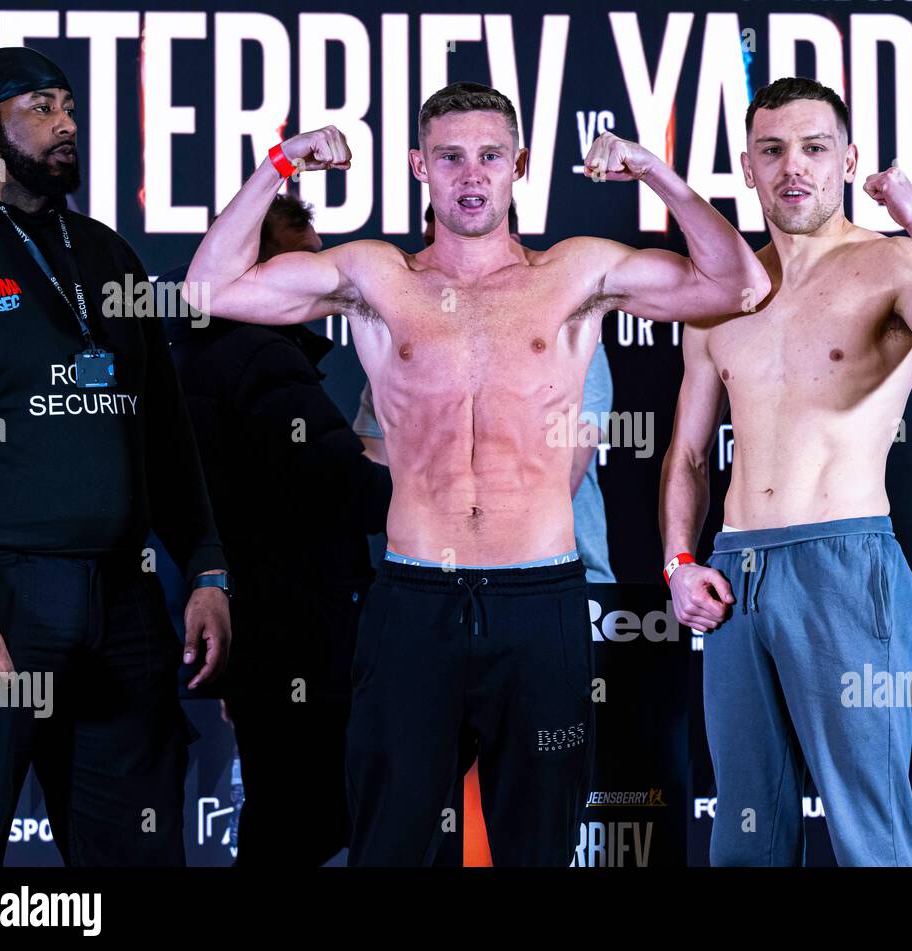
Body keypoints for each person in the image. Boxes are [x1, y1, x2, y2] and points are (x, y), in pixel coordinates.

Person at [185, 81, 770, 865]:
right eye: (451, 157)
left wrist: (655, 175)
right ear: (420, 167)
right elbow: (208, 288)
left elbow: (739, 284)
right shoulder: (375, 277)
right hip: (413, 602)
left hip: (540, 602)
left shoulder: (575, 275)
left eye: (490, 156)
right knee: (389, 843)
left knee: (536, 845)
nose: (471, 174)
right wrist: (279, 165)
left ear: (518, 165)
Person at [660, 77, 912, 867]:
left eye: (815, 148)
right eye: (773, 150)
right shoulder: (722, 295)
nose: (795, 168)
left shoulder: (889, 265)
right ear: (746, 167)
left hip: (844, 565)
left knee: (868, 835)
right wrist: (680, 559)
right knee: (745, 835)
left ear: (847, 160)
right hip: (735, 573)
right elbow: (683, 455)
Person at [0, 48, 230, 866]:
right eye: (41, 106)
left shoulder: (104, 252)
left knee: (135, 842)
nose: (67, 122)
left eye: (69, 105)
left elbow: (167, 436)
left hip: (122, 596)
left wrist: (209, 570)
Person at [158, 193, 392, 866]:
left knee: (285, 814)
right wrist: (436, 475)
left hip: (251, 631)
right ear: (265, 268)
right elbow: (346, 494)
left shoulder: (193, 352)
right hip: (298, 636)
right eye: (309, 258)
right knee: (301, 822)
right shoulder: (261, 356)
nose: (323, 275)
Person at [354, 201, 616, 582]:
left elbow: (565, 474)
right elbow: (374, 467)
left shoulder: (566, 333)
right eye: (431, 245)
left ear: (514, 245)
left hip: (562, 574)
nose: (442, 261)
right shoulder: (401, 350)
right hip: (435, 576)